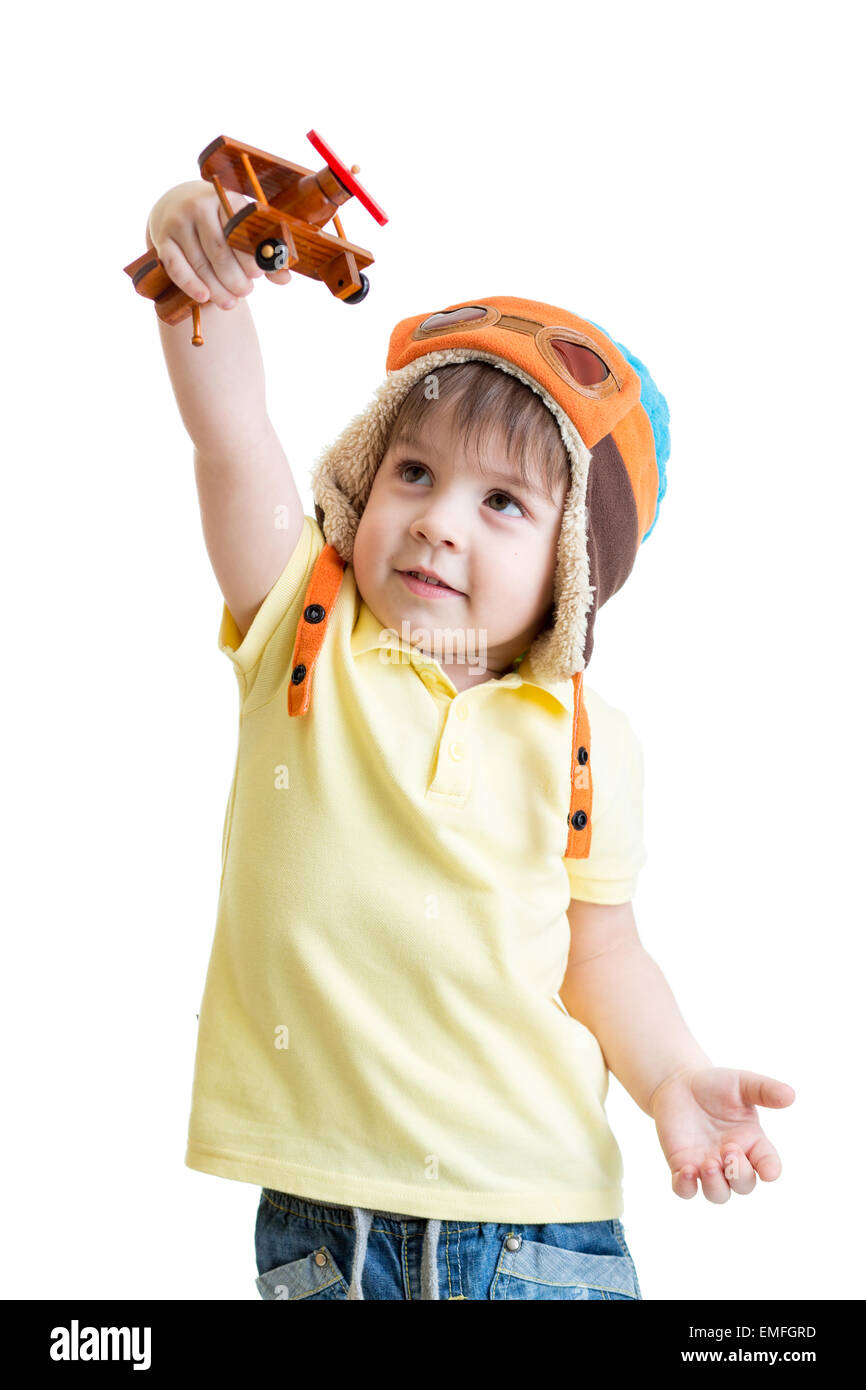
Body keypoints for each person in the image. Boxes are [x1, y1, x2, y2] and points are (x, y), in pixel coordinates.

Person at [145, 180, 796, 1301]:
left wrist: (673, 1075)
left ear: (572, 567)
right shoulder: (302, 631)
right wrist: (197, 280)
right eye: (413, 472)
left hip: (539, 1230)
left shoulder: (587, 737)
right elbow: (230, 437)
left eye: (502, 502)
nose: (438, 518)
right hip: (327, 1230)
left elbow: (600, 957)